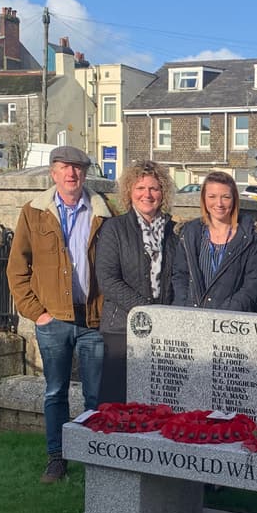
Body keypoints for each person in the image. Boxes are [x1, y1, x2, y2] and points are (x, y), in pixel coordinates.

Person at [6, 145, 112, 483]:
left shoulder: (102, 211)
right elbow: (17, 270)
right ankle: (57, 457)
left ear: (85, 173)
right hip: (53, 321)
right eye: (65, 168)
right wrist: (37, 314)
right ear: (53, 173)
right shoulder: (34, 213)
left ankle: (98, 459)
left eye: (78, 168)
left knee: (97, 395)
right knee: (56, 391)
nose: (72, 174)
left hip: (94, 320)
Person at [94, 160, 176, 404]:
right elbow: (107, 279)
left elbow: (178, 277)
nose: (147, 195)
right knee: (116, 400)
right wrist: (146, 310)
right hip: (121, 327)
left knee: (155, 402)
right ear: (129, 192)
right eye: (140, 188)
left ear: (163, 193)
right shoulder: (114, 228)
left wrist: (165, 315)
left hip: (163, 328)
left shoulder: (174, 232)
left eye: (154, 188)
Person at [172, 171, 257, 311]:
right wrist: (185, 306)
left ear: (234, 200)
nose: (219, 203)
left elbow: (254, 282)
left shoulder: (249, 238)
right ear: (204, 199)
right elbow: (180, 275)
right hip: (192, 317)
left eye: (226, 197)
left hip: (230, 321)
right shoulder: (190, 233)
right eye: (212, 196)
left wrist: (228, 310)